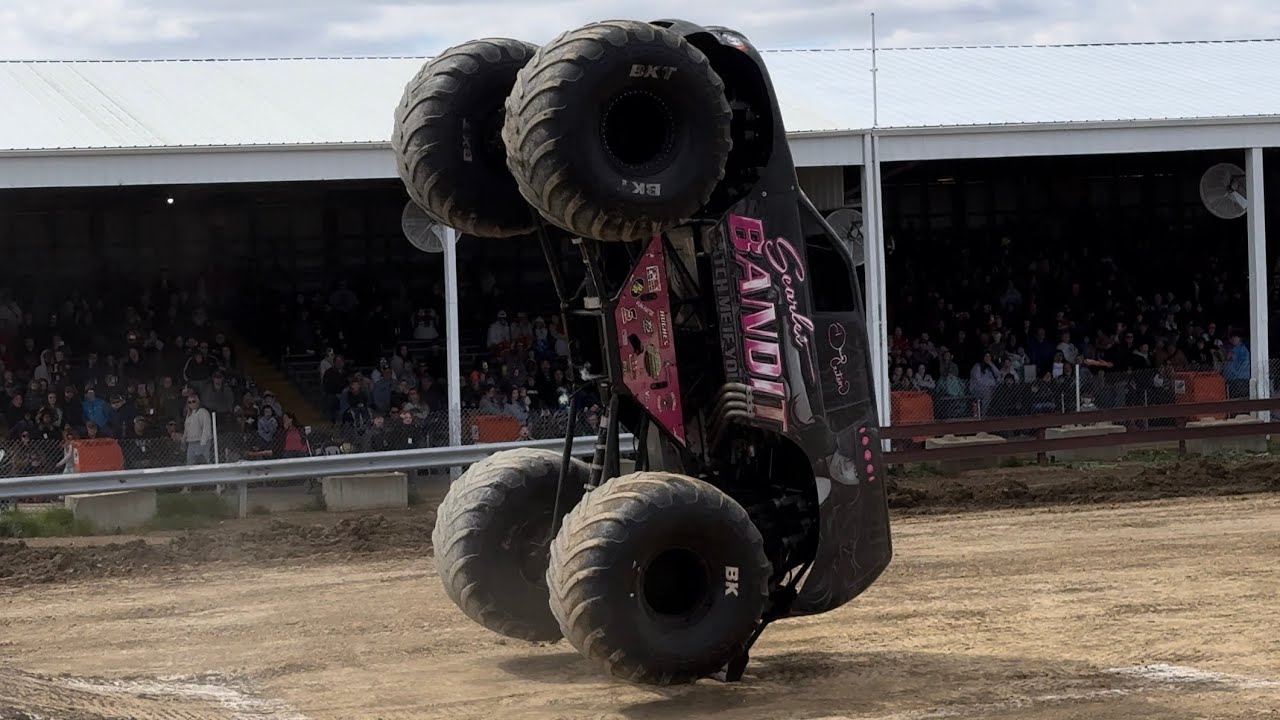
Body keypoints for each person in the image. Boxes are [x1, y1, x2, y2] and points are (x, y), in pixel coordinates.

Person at [183, 395, 213, 465]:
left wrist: (203, 442)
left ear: (197, 401)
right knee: (190, 464)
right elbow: (186, 428)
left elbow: (206, 427)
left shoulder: (202, 412)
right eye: (189, 402)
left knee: (203, 463)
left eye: (193, 401)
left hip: (201, 442)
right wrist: (184, 438)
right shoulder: (189, 415)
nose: (192, 404)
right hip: (191, 442)